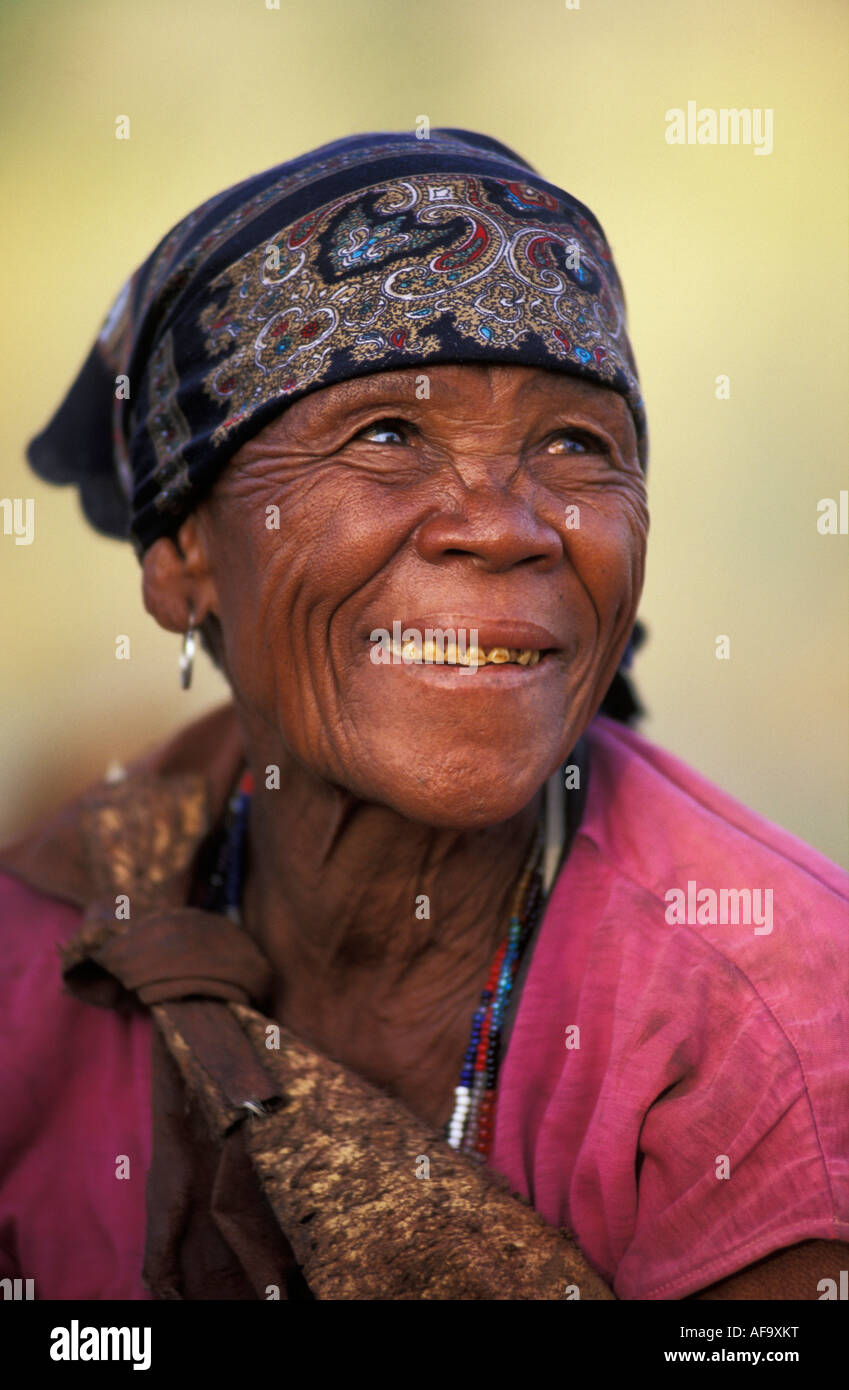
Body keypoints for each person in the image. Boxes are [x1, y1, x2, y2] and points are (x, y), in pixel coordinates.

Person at [1, 129, 846, 1302]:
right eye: (387, 434)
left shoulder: (773, 1023)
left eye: (574, 444)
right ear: (186, 551)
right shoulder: (53, 924)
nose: (506, 524)